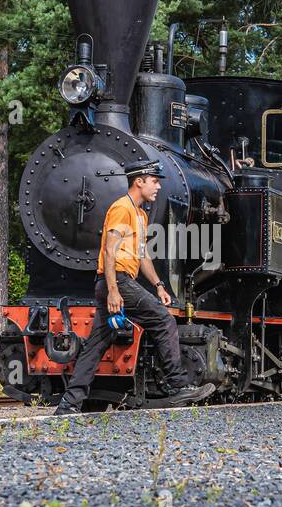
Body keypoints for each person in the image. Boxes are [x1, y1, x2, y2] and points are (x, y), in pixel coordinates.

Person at [54, 158, 214, 415]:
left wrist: (159, 285)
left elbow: (142, 256)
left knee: (96, 344)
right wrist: (114, 290)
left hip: (117, 281)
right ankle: (176, 385)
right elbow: (109, 251)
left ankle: (68, 404)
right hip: (116, 280)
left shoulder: (139, 214)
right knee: (163, 320)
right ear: (138, 182)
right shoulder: (122, 209)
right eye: (154, 182)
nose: (158, 187)